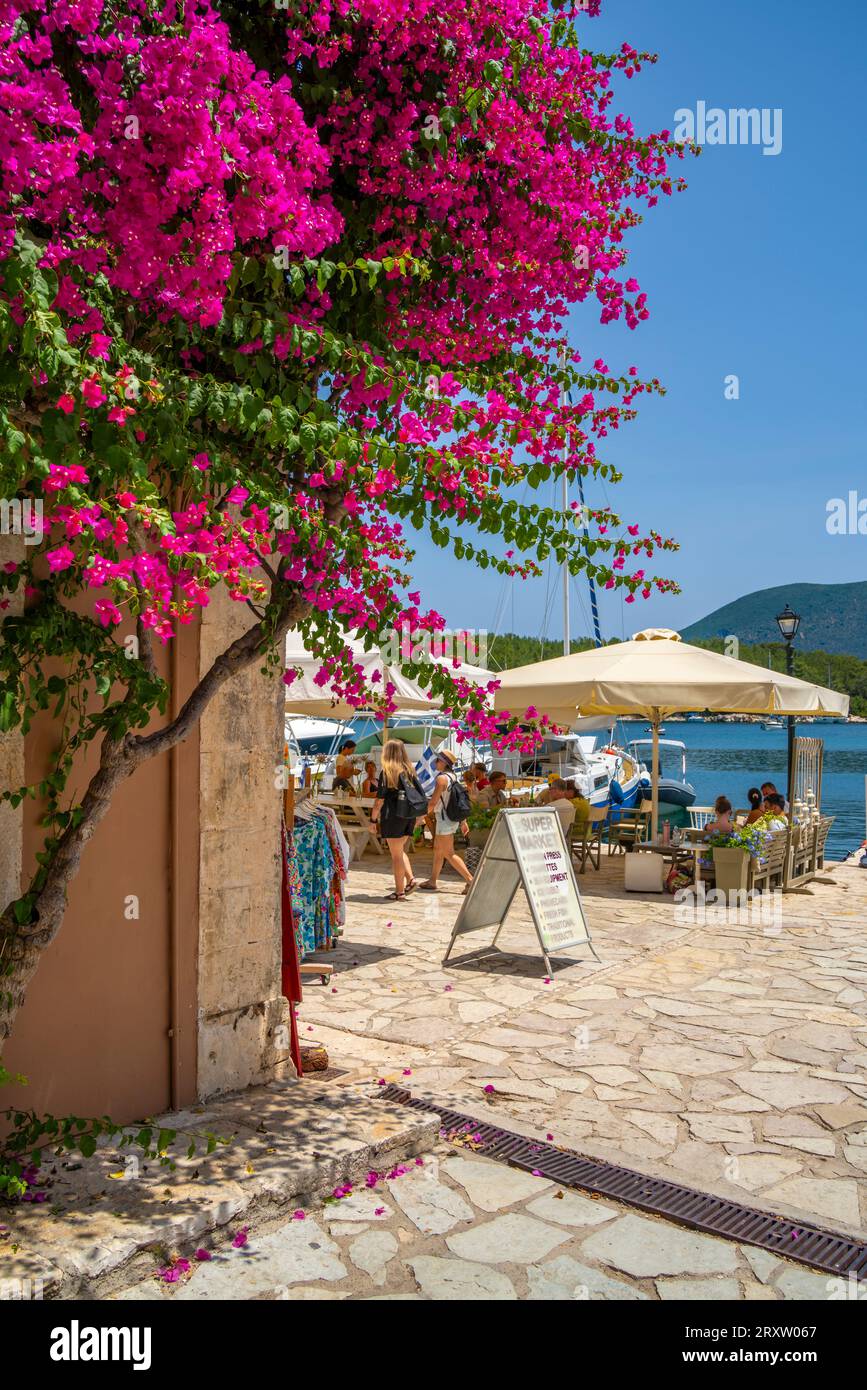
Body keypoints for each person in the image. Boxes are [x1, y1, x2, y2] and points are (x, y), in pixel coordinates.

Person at [370, 739, 426, 901]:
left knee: (396, 856)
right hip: (408, 815)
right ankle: (411, 879)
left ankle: (399, 891)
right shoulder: (409, 770)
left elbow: (379, 801)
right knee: (399, 850)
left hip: (393, 816)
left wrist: (373, 821)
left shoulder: (387, 772)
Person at [419, 749, 473, 893]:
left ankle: (471, 881)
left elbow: (433, 802)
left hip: (444, 819)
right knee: (438, 850)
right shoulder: (453, 776)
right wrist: (463, 821)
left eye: (437, 760)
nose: (435, 762)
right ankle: (432, 881)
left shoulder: (441, 779)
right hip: (450, 818)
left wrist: (419, 818)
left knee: (449, 853)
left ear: (443, 763)